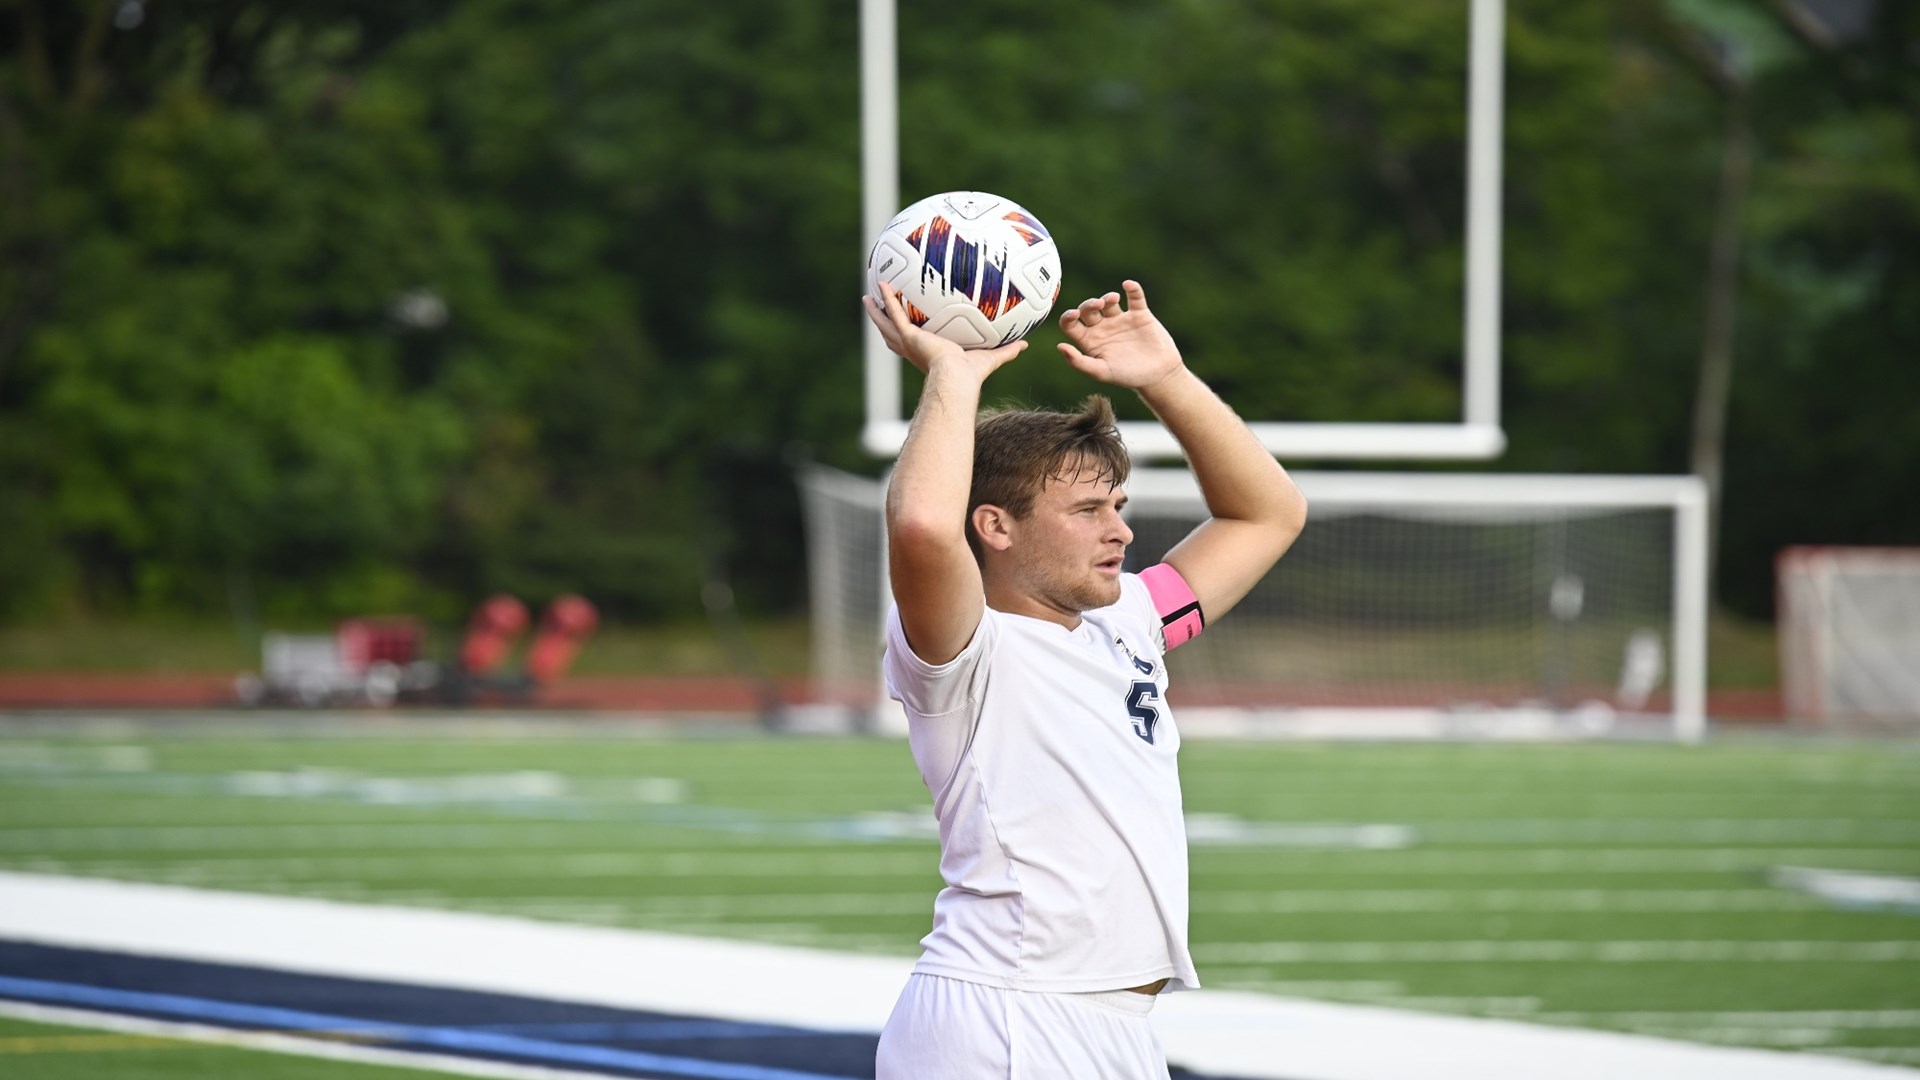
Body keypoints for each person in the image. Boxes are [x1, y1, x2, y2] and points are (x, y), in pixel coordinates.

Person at [862, 277, 1308, 1078]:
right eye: (1088, 511)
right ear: (994, 526)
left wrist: (1165, 380)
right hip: (1010, 1014)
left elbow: (1266, 514)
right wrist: (952, 379)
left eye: (1119, 503)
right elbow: (926, 526)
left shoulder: (1127, 619)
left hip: (1110, 1025)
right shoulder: (966, 648)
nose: (1122, 529)